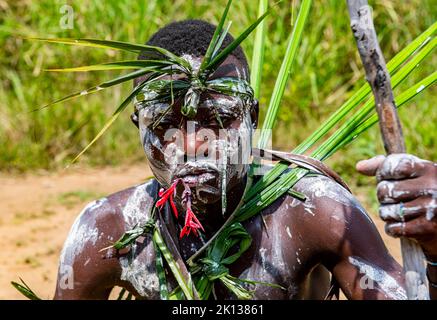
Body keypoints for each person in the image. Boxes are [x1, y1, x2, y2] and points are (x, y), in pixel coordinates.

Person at [53, 20, 437, 300]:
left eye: (218, 119)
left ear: (252, 117)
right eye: (166, 123)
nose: (191, 143)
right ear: (137, 125)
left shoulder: (317, 213)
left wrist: (435, 248)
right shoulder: (106, 231)